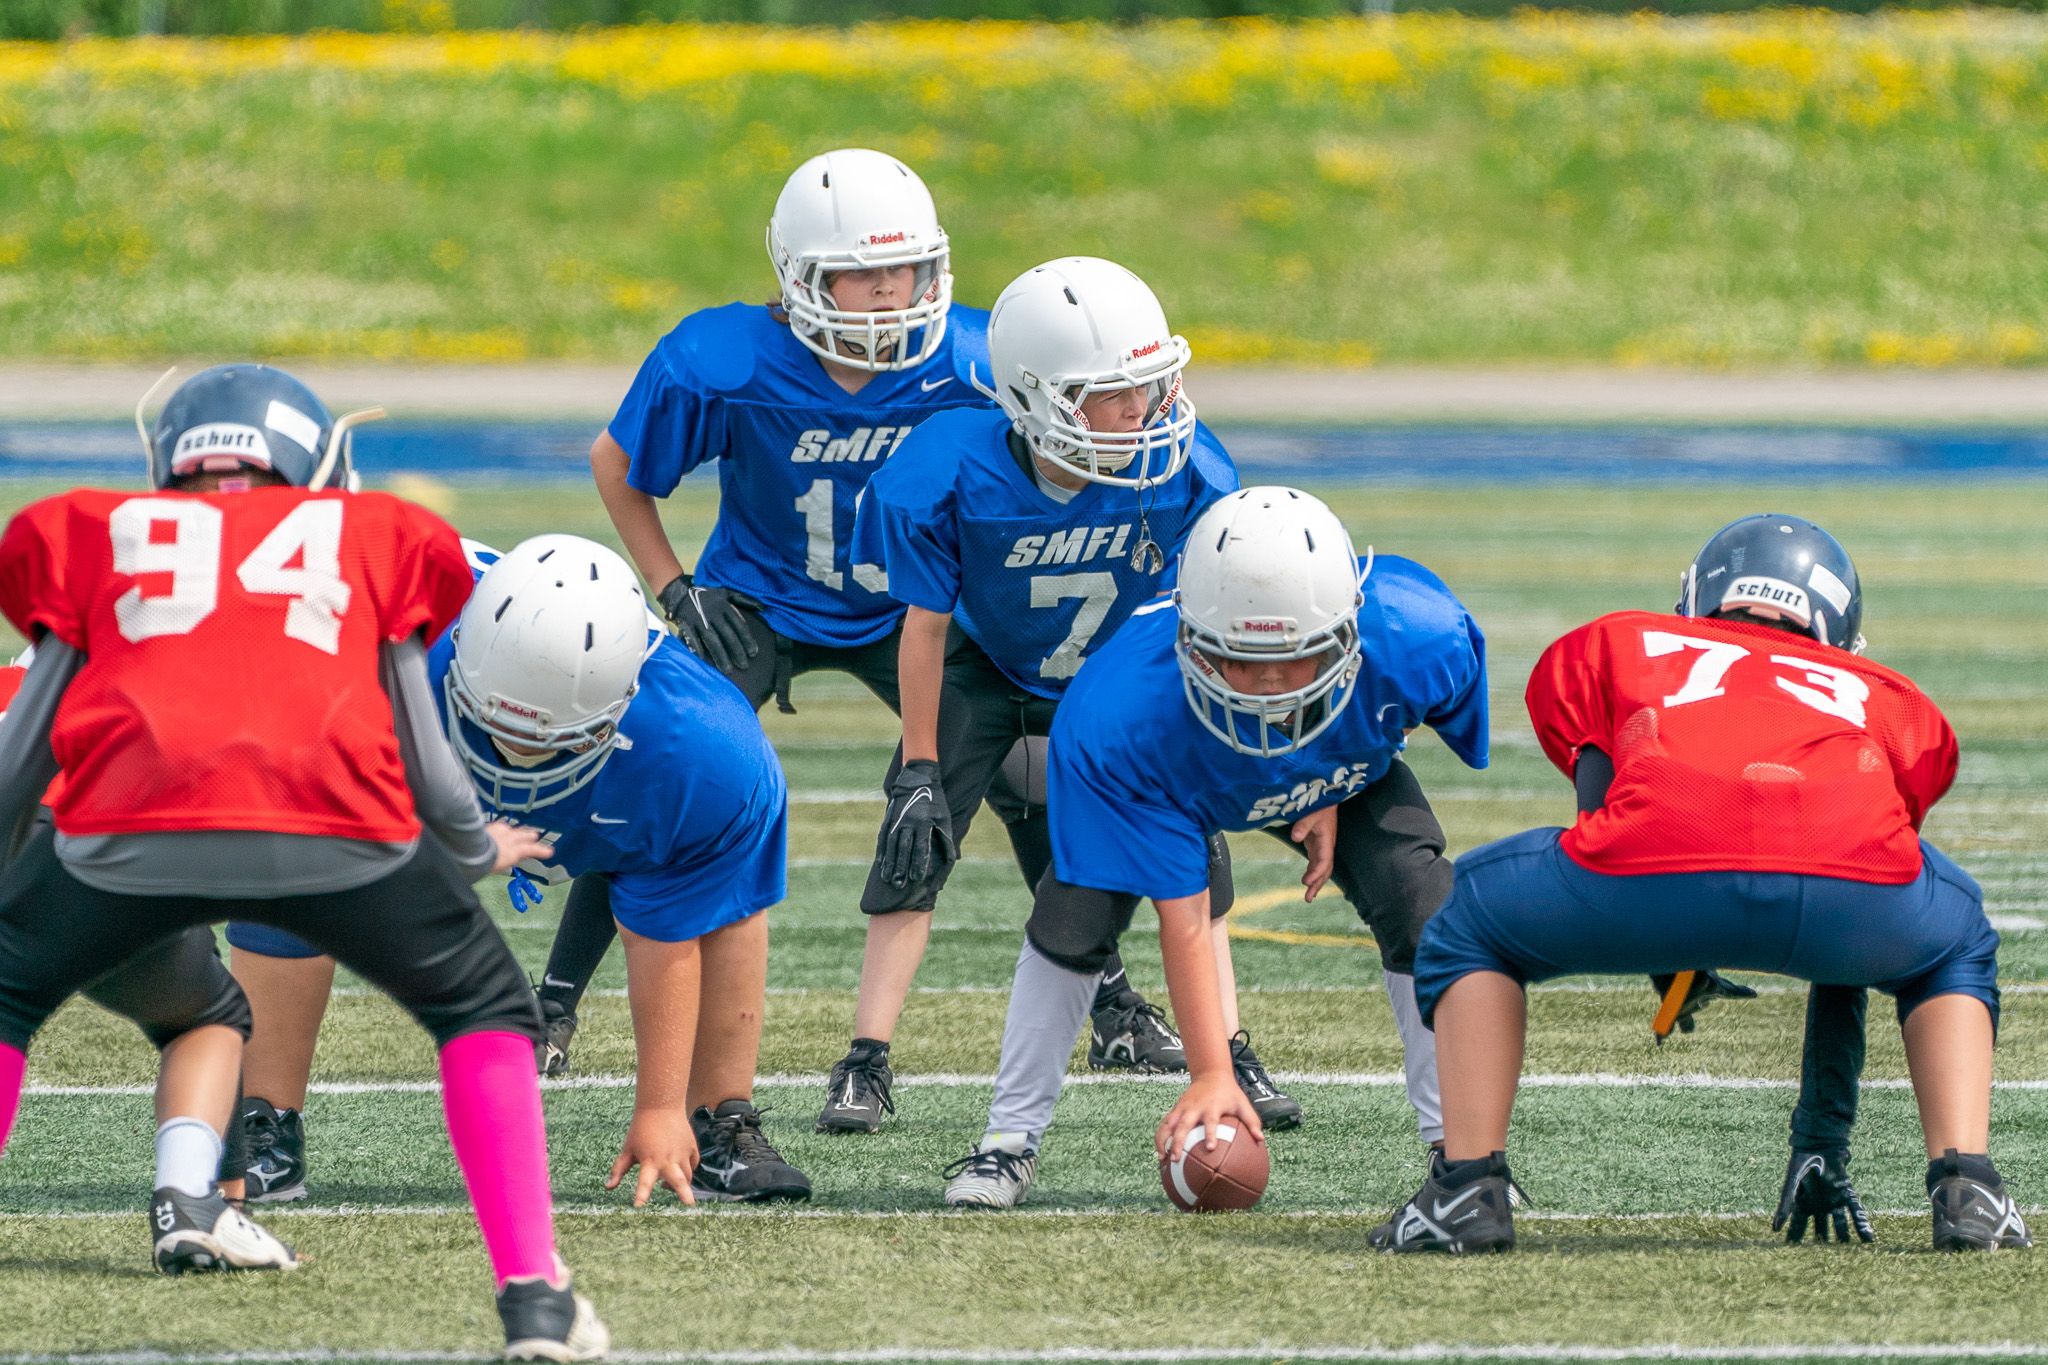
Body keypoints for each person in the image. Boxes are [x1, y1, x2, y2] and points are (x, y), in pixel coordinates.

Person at [0, 365, 606, 1358]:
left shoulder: (99, 532)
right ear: (316, 467)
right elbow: (420, 741)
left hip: (128, 821)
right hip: (335, 820)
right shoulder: (366, 534)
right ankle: (535, 1294)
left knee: (5, 996)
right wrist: (469, 849)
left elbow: (22, 750)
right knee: (483, 1012)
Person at [532, 146, 1067, 1079]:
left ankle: (1110, 997)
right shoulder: (727, 358)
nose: (892, 291)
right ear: (799, 277)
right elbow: (616, 463)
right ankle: (554, 1002)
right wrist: (674, 587)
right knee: (654, 757)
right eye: (863, 272)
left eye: (906, 266)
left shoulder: (976, 360)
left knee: (1025, 766)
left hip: (910, 606)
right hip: (759, 596)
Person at [1380, 513, 2028, 1255]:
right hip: (1848, 898)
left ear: (1700, 599)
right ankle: (1969, 1188)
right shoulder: (1884, 692)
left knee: (1466, 916)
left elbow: (1607, 814)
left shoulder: (1624, 640)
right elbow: (1853, 874)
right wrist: (1822, 1139)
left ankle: (1466, 1189)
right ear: (1841, 631)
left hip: (1649, 872)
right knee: (1955, 941)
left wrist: (1671, 940)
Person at [948, 487, 1488, 1208]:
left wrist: (1331, 774)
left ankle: (1460, 1156)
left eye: (1294, 658)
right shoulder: (1122, 715)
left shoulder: (1422, 632)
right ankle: (1006, 1144)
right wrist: (1212, 1073)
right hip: (1182, 758)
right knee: (1075, 915)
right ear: (1191, 636)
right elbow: (1188, 915)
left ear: (1348, 633)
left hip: (1332, 750)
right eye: (1239, 658)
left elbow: (1404, 710)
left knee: (1422, 896)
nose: (1267, 684)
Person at [229, 534, 806, 1206]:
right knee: (285, 849)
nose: (513, 752)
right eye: (495, 725)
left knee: (720, 891)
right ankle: (262, 1119)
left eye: (541, 740)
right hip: (418, 747)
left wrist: (660, 1105)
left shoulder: (699, 746)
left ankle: (720, 1119)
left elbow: (670, 925)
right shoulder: (375, 661)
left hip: (615, 780)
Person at [822, 256, 1244, 1136]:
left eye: (1153, 383)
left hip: (1113, 675)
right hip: (990, 667)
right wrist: (923, 768)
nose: (1145, 411)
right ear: (1035, 398)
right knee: (912, 845)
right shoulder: (948, 469)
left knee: (1196, 854)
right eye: (1114, 393)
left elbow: (1193, 622)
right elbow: (926, 629)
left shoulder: (1186, 468)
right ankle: (864, 1059)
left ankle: (1230, 1048)